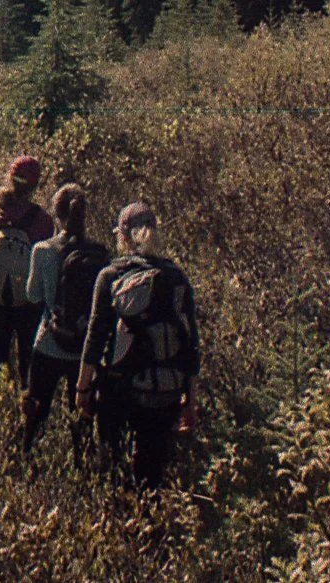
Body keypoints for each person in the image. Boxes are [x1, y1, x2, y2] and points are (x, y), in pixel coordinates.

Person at [76, 200, 201, 489]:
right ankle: (149, 521)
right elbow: (192, 344)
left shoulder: (110, 276)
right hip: (166, 390)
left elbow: (95, 339)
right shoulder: (176, 277)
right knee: (152, 471)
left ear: (122, 236)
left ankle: (117, 519)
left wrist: (83, 388)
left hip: (118, 388)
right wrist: (190, 402)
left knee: (112, 462)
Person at [20, 183, 110, 456]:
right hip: (83, 350)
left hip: (48, 341)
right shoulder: (101, 254)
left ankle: (29, 464)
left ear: (56, 214)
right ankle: (83, 472)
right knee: (80, 417)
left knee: (37, 412)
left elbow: (33, 296)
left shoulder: (43, 250)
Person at [0, 155, 54, 399]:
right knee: (28, 367)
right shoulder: (43, 221)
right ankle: (26, 417)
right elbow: (45, 269)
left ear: (9, 178)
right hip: (28, 304)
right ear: (35, 185)